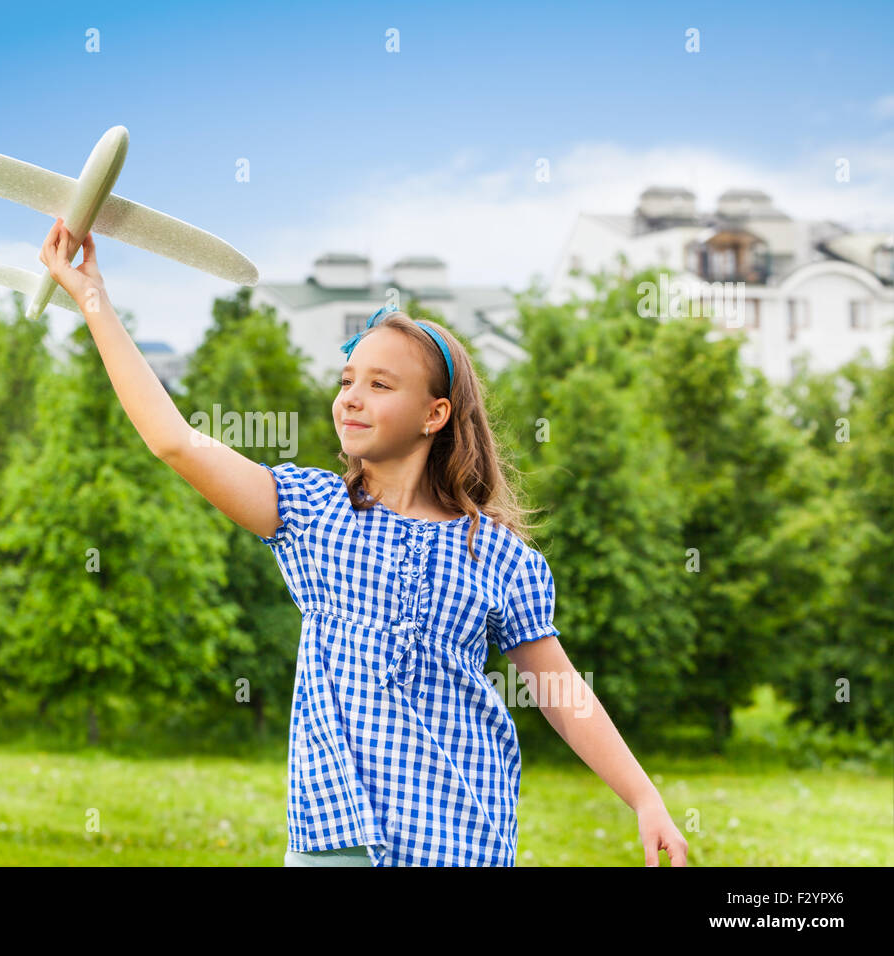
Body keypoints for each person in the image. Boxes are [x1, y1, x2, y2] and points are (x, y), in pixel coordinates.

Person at [39, 217, 689, 867]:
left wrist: (644, 798)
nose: (351, 397)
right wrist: (91, 296)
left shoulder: (494, 555)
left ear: (435, 415)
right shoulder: (314, 513)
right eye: (347, 380)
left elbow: (560, 692)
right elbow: (173, 439)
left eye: (380, 385)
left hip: (458, 840)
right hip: (332, 839)